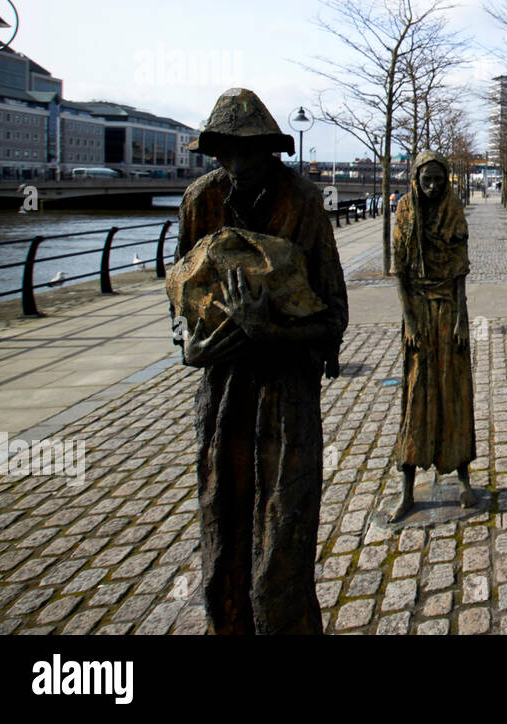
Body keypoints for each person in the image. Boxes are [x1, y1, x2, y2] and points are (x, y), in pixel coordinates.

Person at [169, 88, 348, 635]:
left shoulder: (303, 203)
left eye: (251, 152)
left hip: (285, 398)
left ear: (272, 151)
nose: (239, 165)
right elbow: (180, 294)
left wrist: (272, 330)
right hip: (224, 398)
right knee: (223, 536)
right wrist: (189, 346)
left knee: (282, 543)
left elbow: (333, 315)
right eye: (228, 152)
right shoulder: (200, 201)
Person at [389, 150, 476, 517]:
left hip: (448, 309)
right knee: (416, 394)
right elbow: (401, 272)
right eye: (427, 179)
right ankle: (407, 487)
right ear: (415, 178)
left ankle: (463, 478)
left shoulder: (453, 209)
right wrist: (409, 320)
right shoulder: (405, 210)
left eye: (439, 180)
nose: (433, 186)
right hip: (418, 313)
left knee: (454, 390)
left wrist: (462, 320)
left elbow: (459, 274)